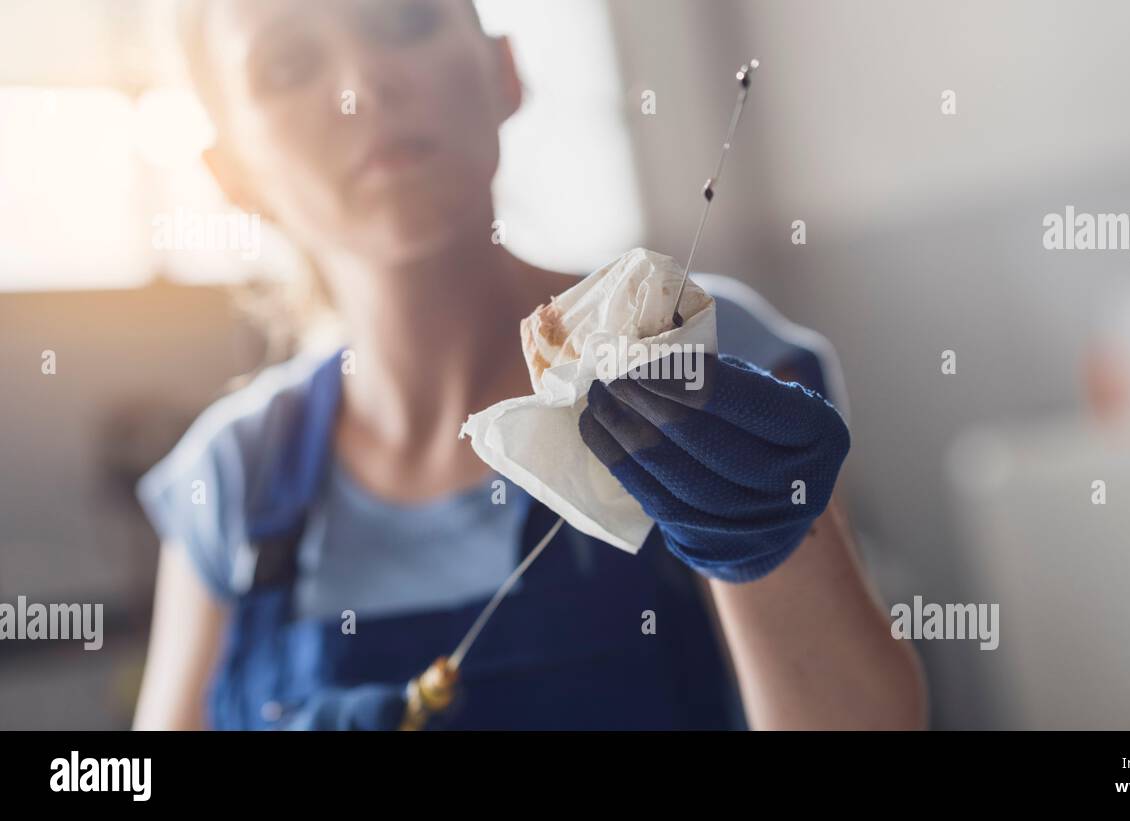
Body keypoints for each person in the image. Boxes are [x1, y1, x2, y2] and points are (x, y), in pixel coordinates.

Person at [132, 0, 925, 730]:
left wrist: (774, 549)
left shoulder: (697, 348)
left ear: (503, 72)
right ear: (229, 172)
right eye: (286, 65)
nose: (363, 81)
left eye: (404, 19)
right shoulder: (236, 475)